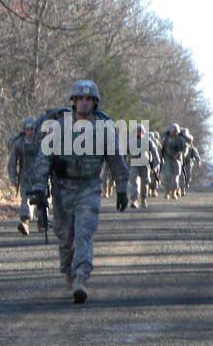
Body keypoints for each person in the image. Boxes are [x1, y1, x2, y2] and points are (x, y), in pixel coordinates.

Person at [28, 79, 129, 303]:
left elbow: (116, 159)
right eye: (80, 99)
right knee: (65, 235)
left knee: (84, 231)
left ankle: (81, 278)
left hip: (89, 186)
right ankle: (67, 273)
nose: (84, 103)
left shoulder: (104, 127)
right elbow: (44, 159)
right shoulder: (58, 125)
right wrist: (38, 188)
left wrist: (122, 188)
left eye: (89, 99)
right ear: (73, 102)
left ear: (95, 103)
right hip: (63, 188)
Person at [8, 117, 40, 233]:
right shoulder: (19, 143)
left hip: (39, 174)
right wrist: (13, 178)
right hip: (25, 175)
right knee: (26, 199)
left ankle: (42, 221)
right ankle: (25, 222)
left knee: (41, 198)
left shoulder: (40, 142)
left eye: (32, 129)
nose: (30, 132)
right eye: (28, 130)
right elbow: (12, 162)